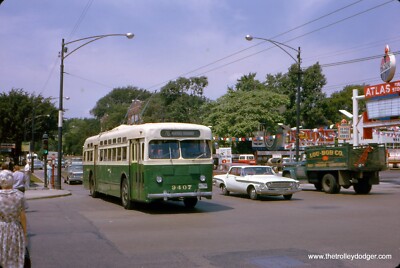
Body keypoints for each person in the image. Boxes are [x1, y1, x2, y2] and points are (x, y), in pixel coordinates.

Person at [0, 169, 27, 268]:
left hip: (1, 228)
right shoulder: (19, 196)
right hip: (15, 228)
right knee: (14, 254)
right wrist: (25, 233)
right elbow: (23, 216)